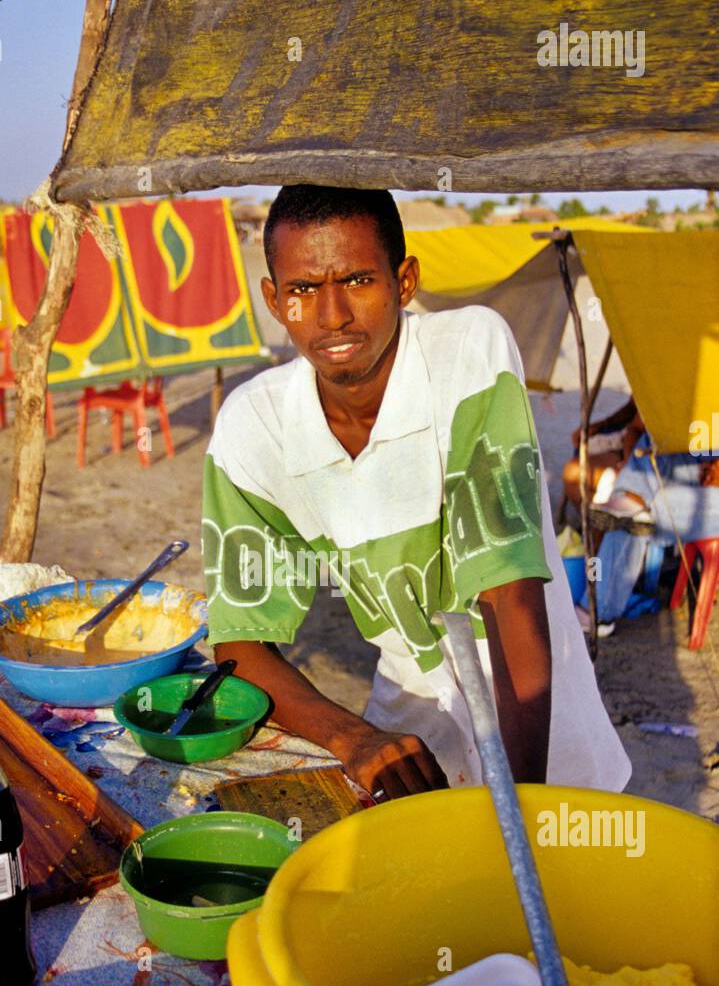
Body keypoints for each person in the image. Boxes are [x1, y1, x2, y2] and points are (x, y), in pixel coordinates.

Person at [201, 185, 631, 799]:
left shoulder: (466, 352)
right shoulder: (255, 426)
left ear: (404, 282)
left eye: (356, 281)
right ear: (274, 299)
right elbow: (240, 642)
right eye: (302, 290)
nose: (332, 317)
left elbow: (508, 596)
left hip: (535, 723)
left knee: (553, 887)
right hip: (410, 715)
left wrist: (518, 807)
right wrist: (356, 738)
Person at [586, 441, 719, 627]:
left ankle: (636, 501)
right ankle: (634, 499)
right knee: (659, 435)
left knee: (634, 518)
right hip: (703, 466)